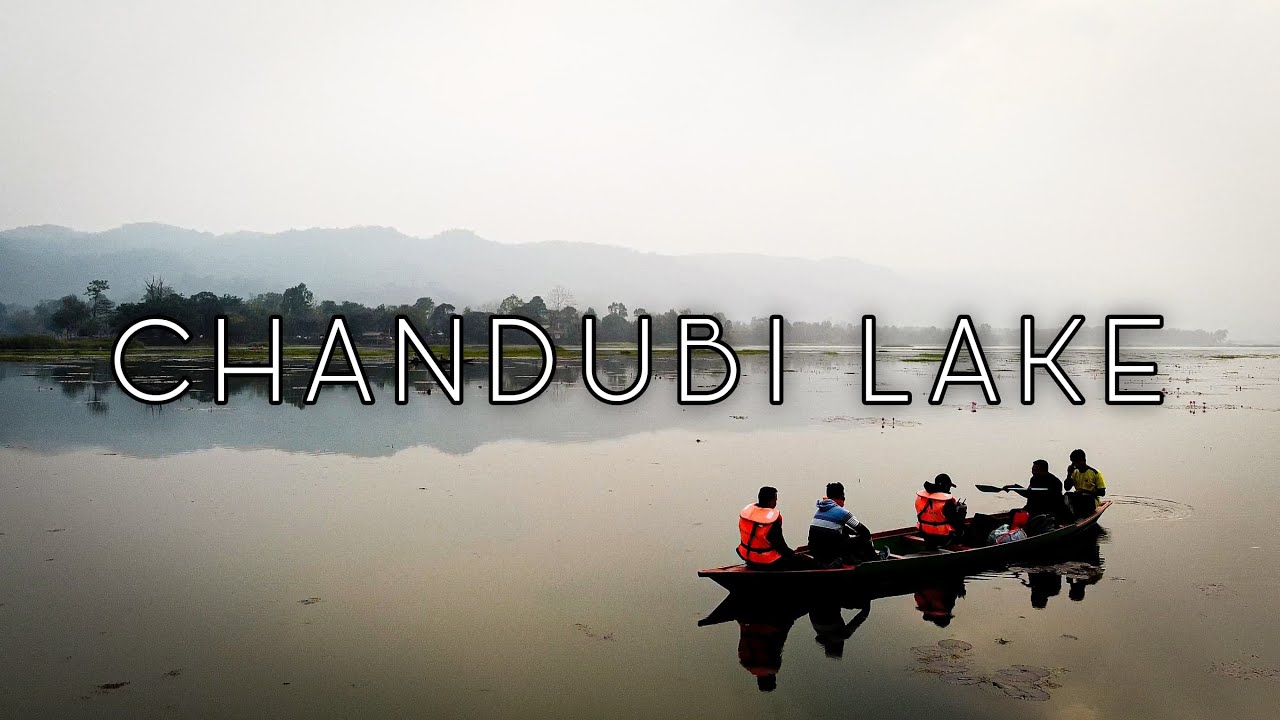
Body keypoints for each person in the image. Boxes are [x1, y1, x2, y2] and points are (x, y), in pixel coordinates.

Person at [738, 486, 814, 570]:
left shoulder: (747, 517)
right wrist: (794, 555)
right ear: (771, 501)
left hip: (749, 559)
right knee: (806, 560)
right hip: (768, 563)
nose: (775, 503)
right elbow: (781, 548)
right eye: (775, 500)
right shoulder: (771, 522)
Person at [808, 482, 877, 565]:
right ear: (842, 496)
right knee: (864, 538)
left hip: (816, 552)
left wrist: (853, 532)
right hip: (831, 552)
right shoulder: (842, 512)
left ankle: (850, 559)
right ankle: (876, 560)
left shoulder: (820, 511)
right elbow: (865, 531)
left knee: (843, 534)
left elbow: (836, 528)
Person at [1003, 460, 1068, 525]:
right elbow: (1029, 493)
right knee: (1013, 512)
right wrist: (1014, 487)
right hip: (1033, 508)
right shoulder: (1034, 479)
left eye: (1036, 470)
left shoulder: (1054, 481)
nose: (1033, 472)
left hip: (1047, 509)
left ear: (1044, 470)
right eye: (1033, 470)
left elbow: (1053, 499)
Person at [915, 473, 968, 546]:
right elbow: (956, 523)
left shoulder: (921, 498)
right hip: (943, 538)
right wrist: (961, 514)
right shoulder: (947, 502)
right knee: (966, 530)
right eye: (949, 487)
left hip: (924, 535)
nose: (949, 489)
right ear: (946, 487)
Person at [1064, 449, 1106, 518]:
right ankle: (1071, 515)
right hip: (1078, 498)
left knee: (1086, 498)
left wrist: (1084, 491)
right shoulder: (1074, 472)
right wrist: (1069, 474)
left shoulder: (1095, 473)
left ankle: (1079, 515)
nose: (1074, 465)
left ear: (1082, 461)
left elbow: (1102, 492)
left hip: (1091, 500)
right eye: (1073, 462)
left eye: (1075, 462)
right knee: (1067, 495)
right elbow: (1067, 488)